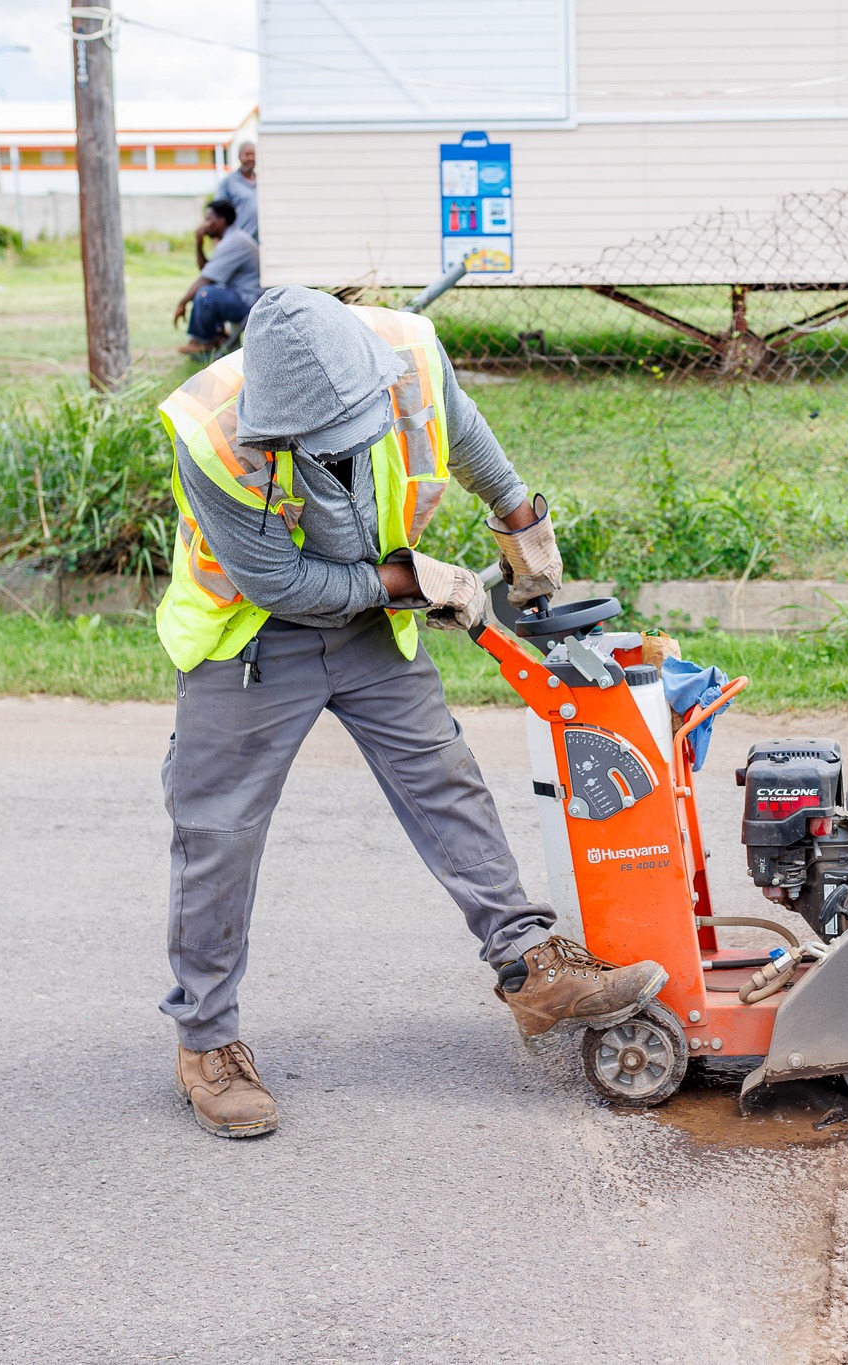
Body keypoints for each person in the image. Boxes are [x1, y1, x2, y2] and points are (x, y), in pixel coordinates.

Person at [153, 285, 668, 1138]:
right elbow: (279, 582)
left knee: (444, 778)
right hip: (249, 640)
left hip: (368, 625)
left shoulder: (410, 355)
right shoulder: (213, 440)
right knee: (219, 833)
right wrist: (409, 581)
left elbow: (463, 434)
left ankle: (530, 965)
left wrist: (519, 520)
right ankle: (205, 1041)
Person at [173, 199, 260, 357]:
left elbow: (205, 279)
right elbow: (206, 270)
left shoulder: (234, 241)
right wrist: (199, 244)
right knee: (209, 291)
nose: (205, 224)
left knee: (205, 294)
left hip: (250, 301)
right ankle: (216, 337)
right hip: (239, 297)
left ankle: (204, 340)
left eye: (208, 219)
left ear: (221, 220)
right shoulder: (229, 239)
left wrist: (182, 303)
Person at [198, 140, 257, 265]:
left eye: (253, 154)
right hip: (237, 244)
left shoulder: (263, 181)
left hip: (259, 245)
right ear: (239, 157)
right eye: (247, 154)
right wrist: (218, 242)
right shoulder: (229, 182)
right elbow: (217, 213)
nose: (250, 158)